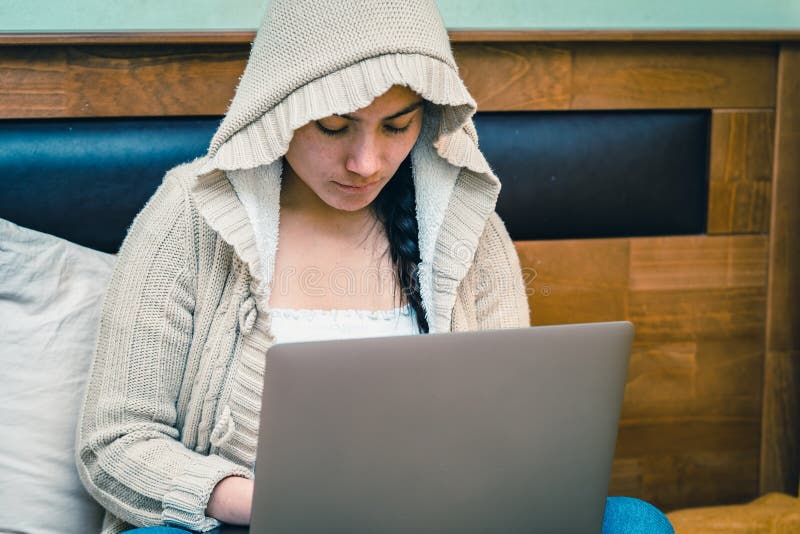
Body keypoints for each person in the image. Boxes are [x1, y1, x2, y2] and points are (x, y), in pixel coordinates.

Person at [76, 1, 673, 532]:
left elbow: (509, 435)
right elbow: (115, 445)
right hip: (251, 525)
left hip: (438, 520)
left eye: (398, 125)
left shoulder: (469, 227)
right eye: (334, 127)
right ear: (281, 110)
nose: (366, 162)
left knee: (636, 523)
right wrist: (269, 503)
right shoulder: (192, 214)